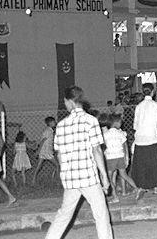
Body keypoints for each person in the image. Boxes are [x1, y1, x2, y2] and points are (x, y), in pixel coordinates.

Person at [46, 86, 112, 239]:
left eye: (65, 102)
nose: (65, 104)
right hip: (88, 176)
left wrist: (65, 173)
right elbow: (96, 150)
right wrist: (104, 176)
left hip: (70, 178)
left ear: (70, 102)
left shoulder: (61, 125)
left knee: (63, 215)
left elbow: (60, 154)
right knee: (101, 215)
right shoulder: (91, 121)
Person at [132, 83, 157, 194]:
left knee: (141, 164)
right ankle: (156, 187)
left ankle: (142, 186)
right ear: (152, 92)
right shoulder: (155, 105)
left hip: (140, 138)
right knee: (154, 163)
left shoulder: (139, 106)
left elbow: (135, 125)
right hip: (151, 137)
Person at [101, 113, 142, 202]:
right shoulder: (120, 133)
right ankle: (137, 188)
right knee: (124, 175)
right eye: (120, 122)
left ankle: (115, 196)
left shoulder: (106, 134)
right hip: (120, 156)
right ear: (115, 123)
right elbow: (125, 146)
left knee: (109, 177)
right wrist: (126, 157)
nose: (121, 123)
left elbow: (103, 146)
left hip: (110, 158)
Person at [33, 116, 58, 184]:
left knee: (39, 166)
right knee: (57, 165)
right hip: (47, 151)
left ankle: (33, 179)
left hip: (44, 151)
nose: (55, 122)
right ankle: (56, 179)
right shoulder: (48, 131)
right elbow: (43, 141)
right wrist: (38, 151)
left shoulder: (49, 130)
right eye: (53, 121)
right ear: (50, 123)